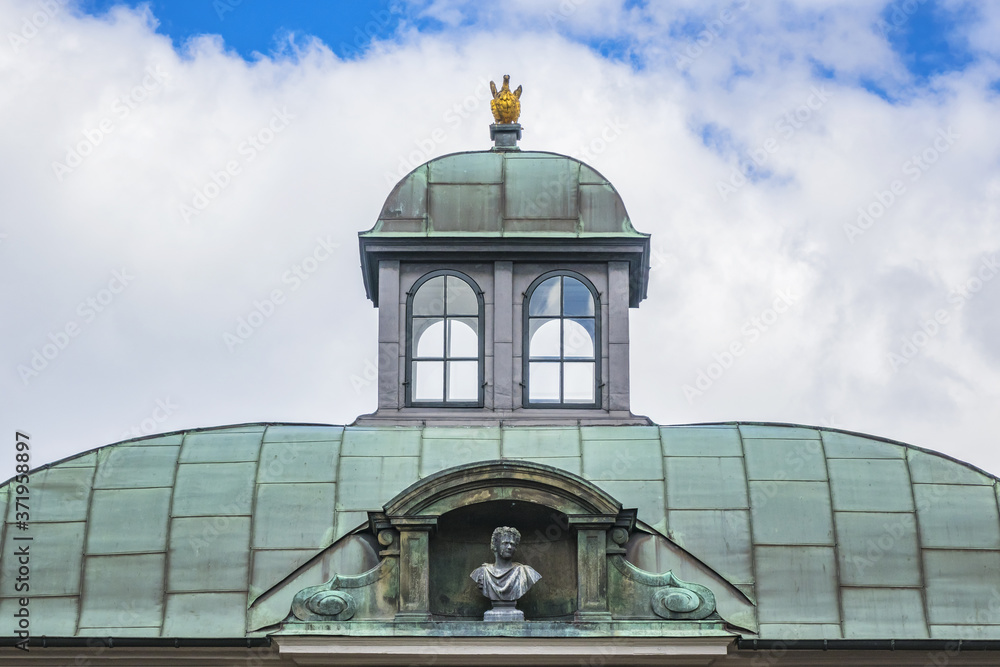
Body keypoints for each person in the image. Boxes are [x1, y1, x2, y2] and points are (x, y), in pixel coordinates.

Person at [470, 526, 541, 601]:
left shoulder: (525, 572)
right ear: (495, 545)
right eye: (505, 543)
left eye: (512, 544)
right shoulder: (482, 572)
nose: (509, 547)